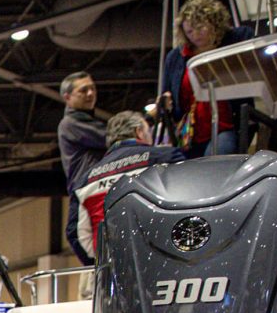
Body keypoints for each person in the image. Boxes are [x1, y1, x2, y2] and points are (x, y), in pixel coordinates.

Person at [75, 111, 185, 258]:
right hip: (161, 255)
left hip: (110, 263)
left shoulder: (85, 180)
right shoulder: (166, 157)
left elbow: (77, 234)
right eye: (148, 131)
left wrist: (101, 259)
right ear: (138, 131)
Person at [160, 0, 253, 159]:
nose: (195, 35)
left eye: (200, 27)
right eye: (189, 31)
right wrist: (166, 100)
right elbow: (167, 93)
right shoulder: (175, 57)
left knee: (216, 165)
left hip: (226, 125)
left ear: (214, 22)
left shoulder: (237, 39)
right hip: (190, 133)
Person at [57, 71, 105, 264]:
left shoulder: (85, 121)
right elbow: (108, 137)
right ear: (67, 97)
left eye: (92, 88)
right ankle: (97, 267)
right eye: (83, 90)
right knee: (75, 232)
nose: (90, 94)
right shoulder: (71, 124)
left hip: (92, 190)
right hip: (85, 189)